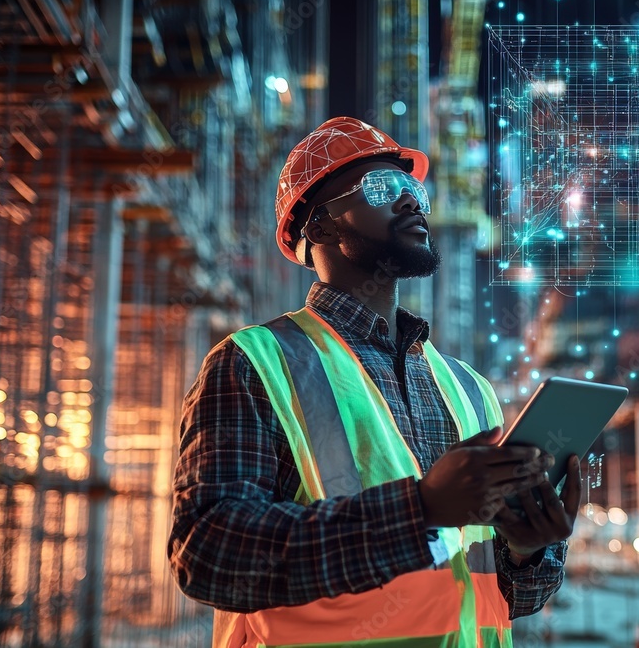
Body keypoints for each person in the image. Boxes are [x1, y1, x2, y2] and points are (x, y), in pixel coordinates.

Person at [168, 117, 581, 648]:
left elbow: (508, 599)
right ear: (317, 227)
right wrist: (420, 512)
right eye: (384, 189)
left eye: (414, 189)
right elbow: (208, 555)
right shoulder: (254, 363)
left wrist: (530, 551)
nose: (413, 202)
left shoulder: (471, 389)